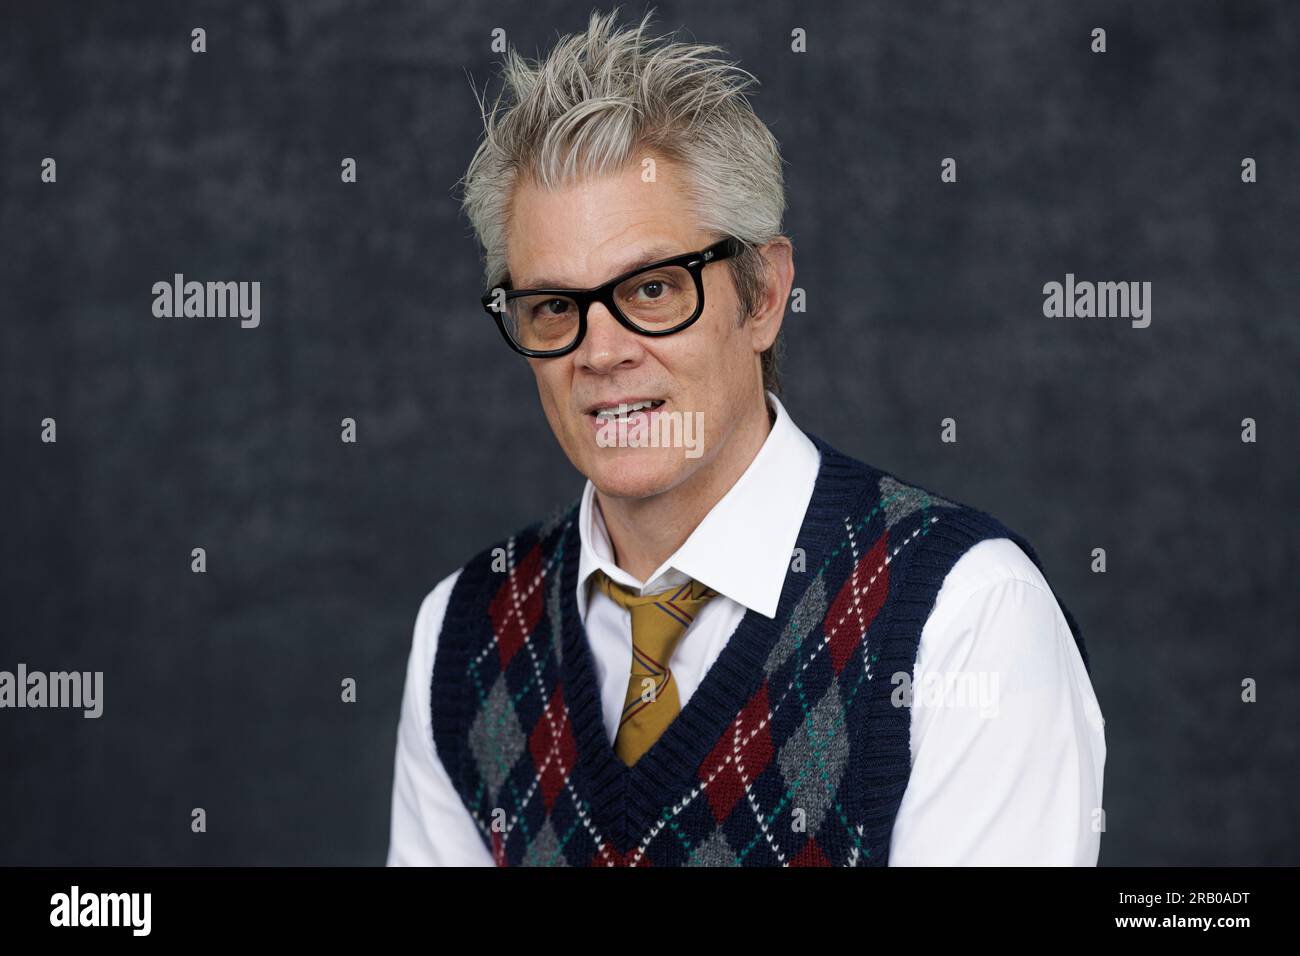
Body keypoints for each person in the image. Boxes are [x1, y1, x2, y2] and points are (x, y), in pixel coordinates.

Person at [387, 7, 1105, 866]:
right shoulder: (466, 635)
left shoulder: (965, 617)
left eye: (652, 290)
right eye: (554, 307)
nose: (601, 351)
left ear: (762, 295)